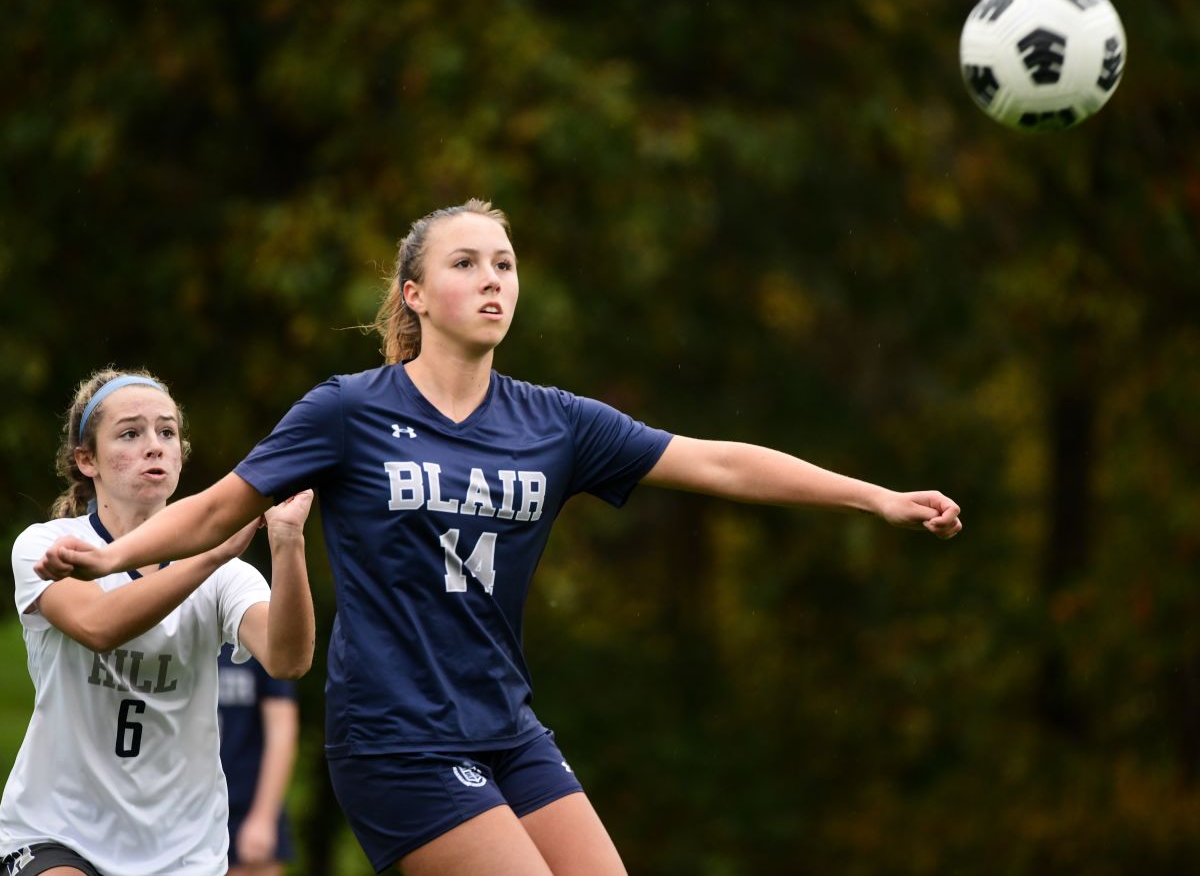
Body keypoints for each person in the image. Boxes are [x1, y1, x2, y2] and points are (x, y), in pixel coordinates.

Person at [36, 200, 962, 876]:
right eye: (468, 263)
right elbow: (220, 505)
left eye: (506, 264)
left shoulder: (554, 423)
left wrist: (871, 497)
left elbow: (716, 464)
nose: (492, 280)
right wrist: (113, 557)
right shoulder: (349, 412)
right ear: (416, 294)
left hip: (504, 727)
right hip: (395, 739)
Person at [3, 368, 316, 876]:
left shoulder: (230, 575)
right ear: (88, 461)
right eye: (130, 433)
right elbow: (101, 625)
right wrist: (209, 555)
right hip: (58, 831)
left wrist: (286, 541)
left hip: (182, 851)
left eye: (167, 432)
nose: (155, 446)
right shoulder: (47, 545)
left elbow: (288, 659)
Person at [217, 643, 300, 876]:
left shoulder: (254, 627)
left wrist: (263, 817)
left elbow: (282, 731)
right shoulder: (180, 630)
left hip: (247, 808)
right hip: (190, 810)